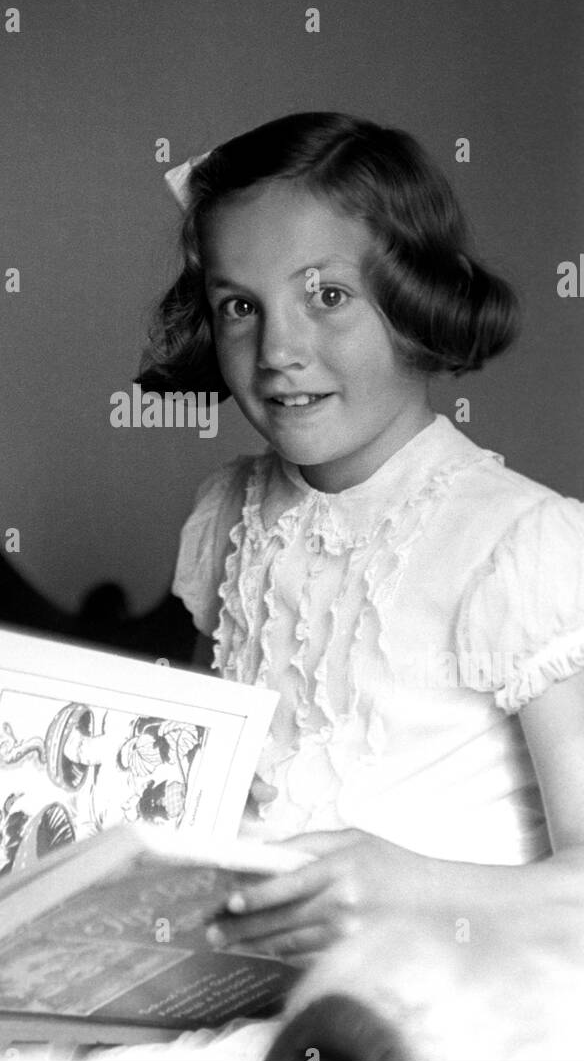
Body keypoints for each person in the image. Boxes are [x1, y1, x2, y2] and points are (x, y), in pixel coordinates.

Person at [137, 111, 584, 971]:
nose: (278, 350)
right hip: (245, 976)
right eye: (240, 307)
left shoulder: (523, 545)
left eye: (327, 297)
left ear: (416, 302)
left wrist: (408, 885)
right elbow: (200, 780)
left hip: (447, 982)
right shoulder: (229, 514)